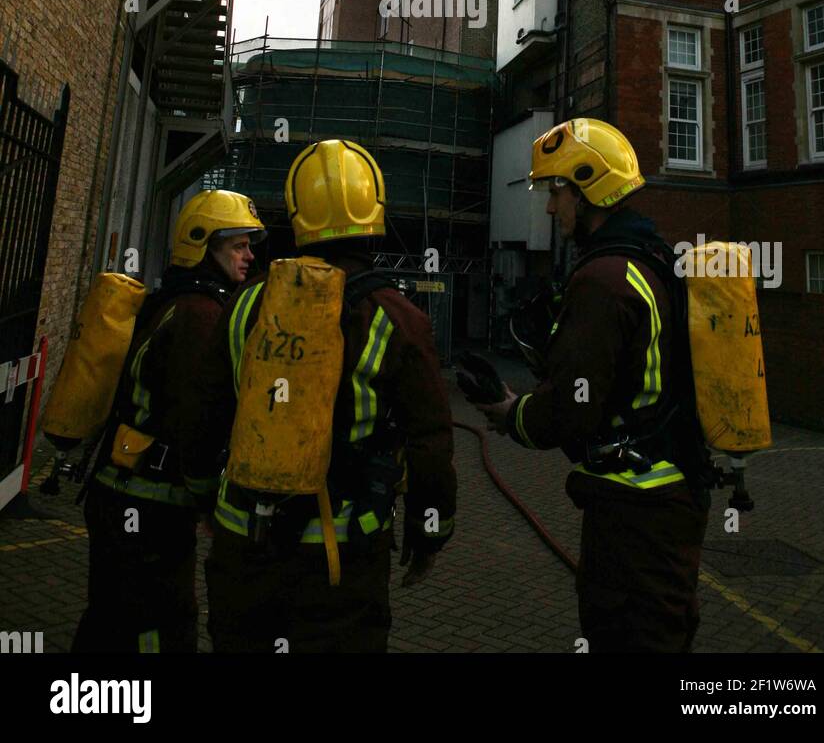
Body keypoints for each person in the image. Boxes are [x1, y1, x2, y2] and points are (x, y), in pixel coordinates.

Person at [183, 138, 457, 654]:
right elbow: (430, 440)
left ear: (296, 209)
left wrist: (203, 498)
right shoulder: (397, 317)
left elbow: (208, 412)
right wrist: (430, 530)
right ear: (375, 208)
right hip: (342, 561)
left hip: (246, 547)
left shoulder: (245, 304)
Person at [478, 118, 710, 654]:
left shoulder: (603, 280)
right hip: (670, 497)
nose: (551, 206)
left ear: (588, 189)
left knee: (628, 636)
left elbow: (569, 414)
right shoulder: (649, 262)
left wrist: (508, 411)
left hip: (634, 517)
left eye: (556, 191)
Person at [71, 190, 266, 654]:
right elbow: (196, 421)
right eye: (238, 244)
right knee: (159, 625)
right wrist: (208, 499)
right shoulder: (200, 317)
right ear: (204, 245)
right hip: (146, 505)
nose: (249, 255)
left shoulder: (175, 301)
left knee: (111, 617)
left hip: (123, 494)